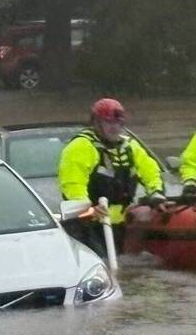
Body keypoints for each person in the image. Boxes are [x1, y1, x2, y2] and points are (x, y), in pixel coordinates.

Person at [59, 98, 165, 257]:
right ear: (96, 123)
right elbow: (72, 183)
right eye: (109, 123)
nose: (114, 127)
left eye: (118, 123)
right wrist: (88, 208)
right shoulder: (81, 146)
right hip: (88, 225)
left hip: (120, 225)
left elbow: (150, 170)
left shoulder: (130, 146)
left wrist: (156, 193)